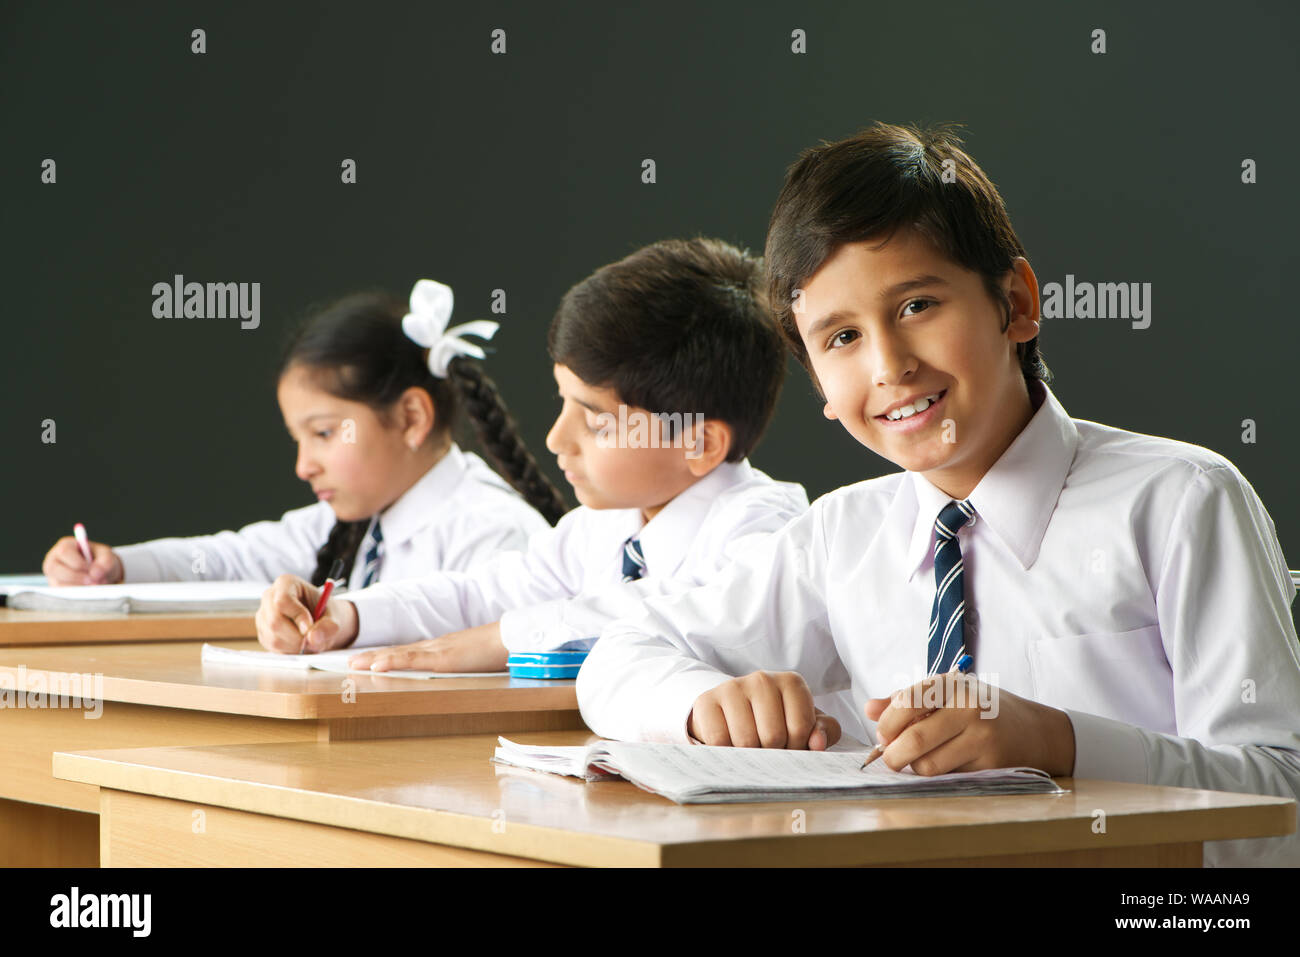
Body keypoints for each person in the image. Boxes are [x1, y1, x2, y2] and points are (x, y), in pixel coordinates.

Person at [576, 123, 1300, 867]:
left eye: (918, 305)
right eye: (841, 338)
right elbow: (620, 654)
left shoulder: (1182, 502)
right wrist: (700, 704)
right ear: (820, 385)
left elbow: (1283, 801)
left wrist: (1062, 741)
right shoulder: (841, 535)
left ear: (1016, 302)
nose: (888, 365)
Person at [253, 238, 811, 681]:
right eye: (560, 402)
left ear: (698, 442)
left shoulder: (763, 527)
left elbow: (682, 613)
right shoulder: (599, 527)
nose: (555, 439)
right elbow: (480, 591)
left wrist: (503, 638)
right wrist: (350, 617)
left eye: (594, 420)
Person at [43, 280, 560, 589]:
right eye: (299, 438)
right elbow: (233, 558)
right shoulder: (349, 524)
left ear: (410, 418)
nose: (303, 465)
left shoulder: (494, 534)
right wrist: (116, 568)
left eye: (324, 433)